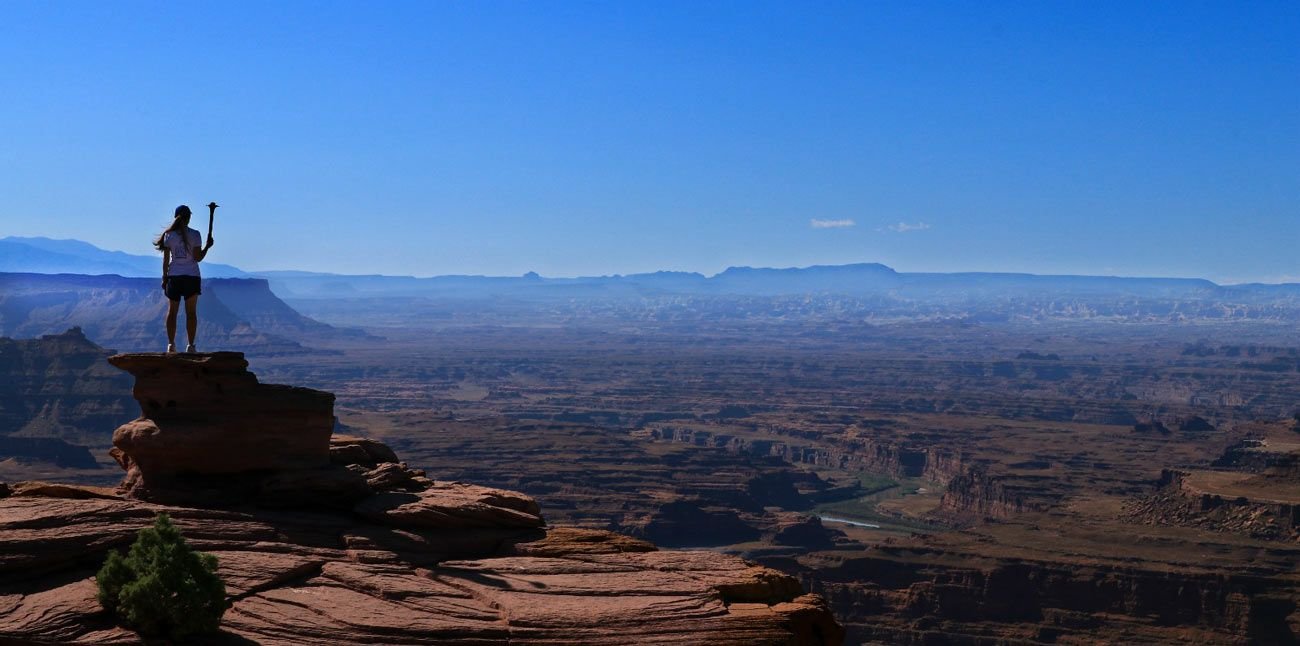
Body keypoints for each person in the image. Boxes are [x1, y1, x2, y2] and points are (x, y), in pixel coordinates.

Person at [154, 205, 214, 353]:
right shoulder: (196, 235)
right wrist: (207, 246)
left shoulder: (169, 236)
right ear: (188, 217)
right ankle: (191, 345)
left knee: (172, 312)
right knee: (191, 313)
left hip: (174, 277)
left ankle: (171, 344)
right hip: (192, 277)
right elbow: (198, 258)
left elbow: (166, 260)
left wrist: (164, 278)